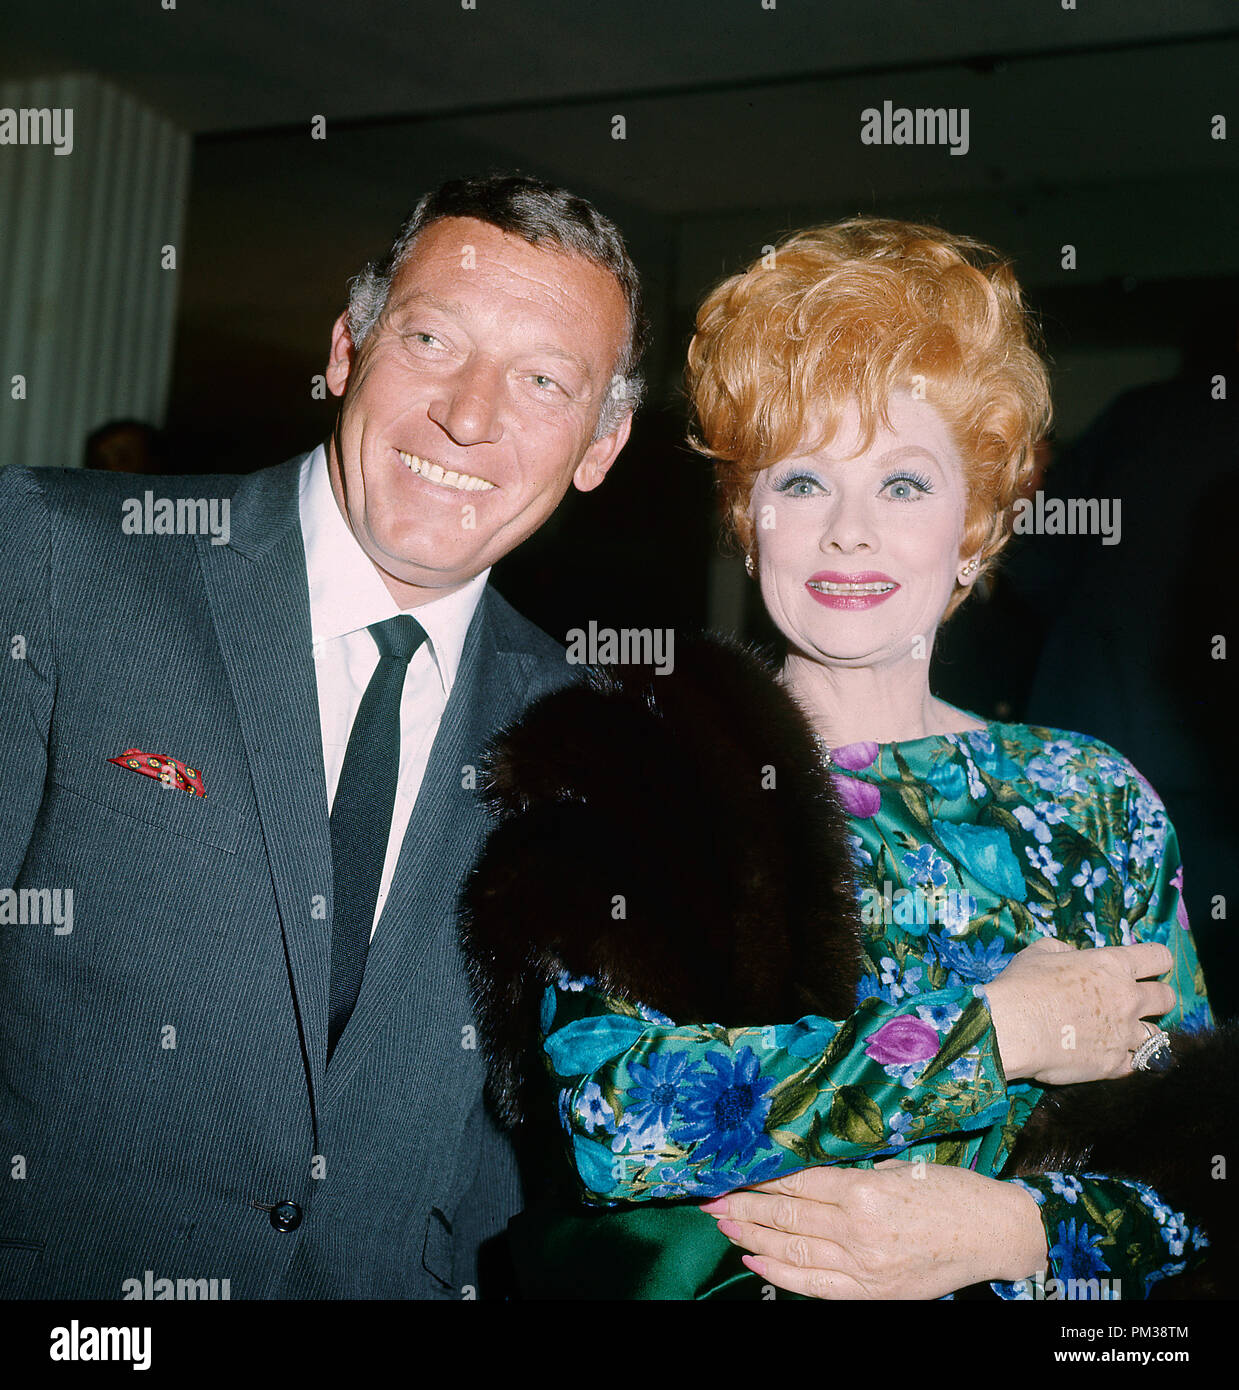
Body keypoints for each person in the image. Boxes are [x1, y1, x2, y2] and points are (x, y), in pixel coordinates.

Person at [461, 218, 1221, 1300]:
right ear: (748, 512)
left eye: (905, 483)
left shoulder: (1091, 800)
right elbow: (616, 1118)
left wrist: (1015, 1234)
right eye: (803, 481)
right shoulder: (646, 771)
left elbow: (1200, 1178)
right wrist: (993, 1033)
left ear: (977, 520)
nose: (848, 533)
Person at [0, 172, 642, 1298]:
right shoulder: (60, 558)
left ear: (602, 441)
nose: (472, 416)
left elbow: (521, 1140)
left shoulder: (587, 735)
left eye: (544, 380)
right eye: (433, 337)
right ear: (347, 350)